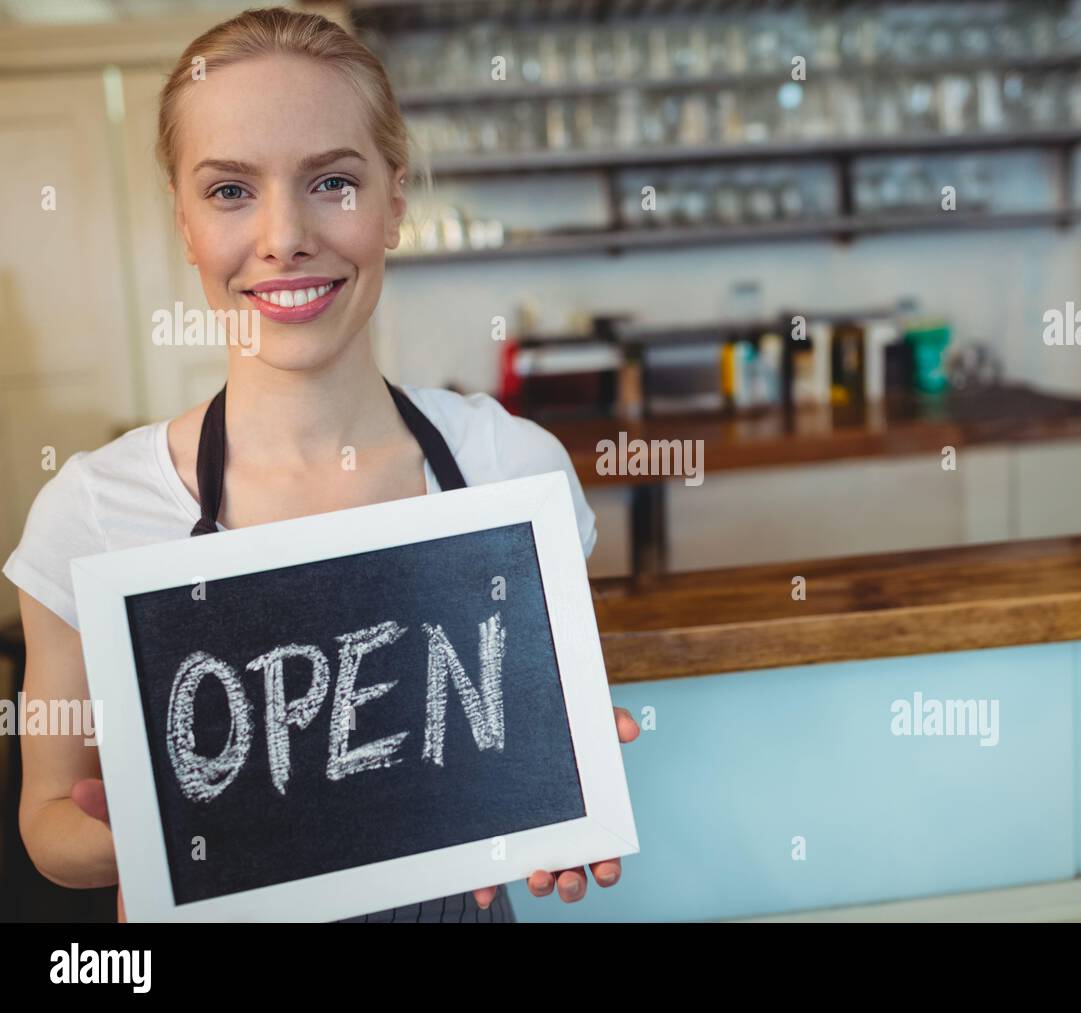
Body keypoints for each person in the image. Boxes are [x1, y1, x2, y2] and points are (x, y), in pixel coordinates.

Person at [3, 6, 637, 924]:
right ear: (183, 220)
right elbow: (45, 822)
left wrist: (565, 792)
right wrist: (170, 842)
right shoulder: (92, 513)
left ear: (394, 202)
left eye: (332, 181)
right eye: (229, 191)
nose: (283, 235)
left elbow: (540, 746)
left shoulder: (512, 469)